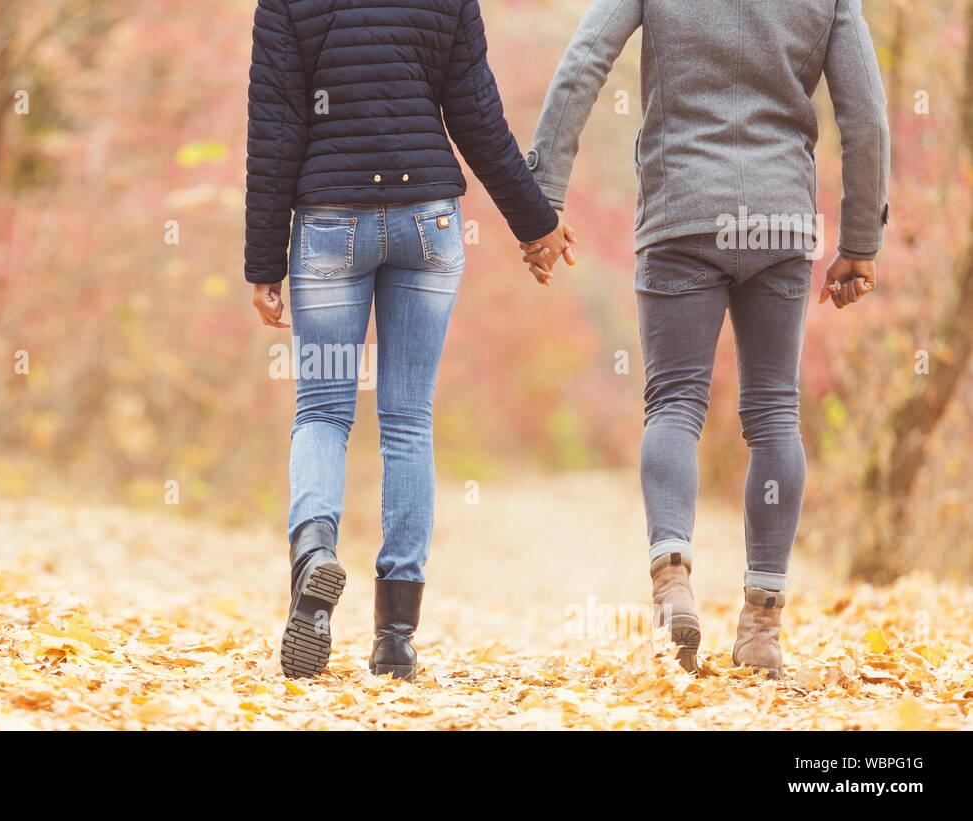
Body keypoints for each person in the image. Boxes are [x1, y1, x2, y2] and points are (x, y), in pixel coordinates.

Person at [524, 0, 890, 677]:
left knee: (674, 405)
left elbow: (583, 63)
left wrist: (541, 190)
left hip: (680, 211)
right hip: (779, 218)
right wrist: (862, 239)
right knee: (775, 413)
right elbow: (864, 112)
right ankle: (761, 624)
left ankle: (672, 573)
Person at [245, 0, 576, 680]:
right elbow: (476, 115)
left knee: (323, 412)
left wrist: (262, 262)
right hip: (429, 222)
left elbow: (275, 128)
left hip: (330, 224)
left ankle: (314, 557)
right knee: (406, 419)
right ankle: (395, 638)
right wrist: (534, 222)